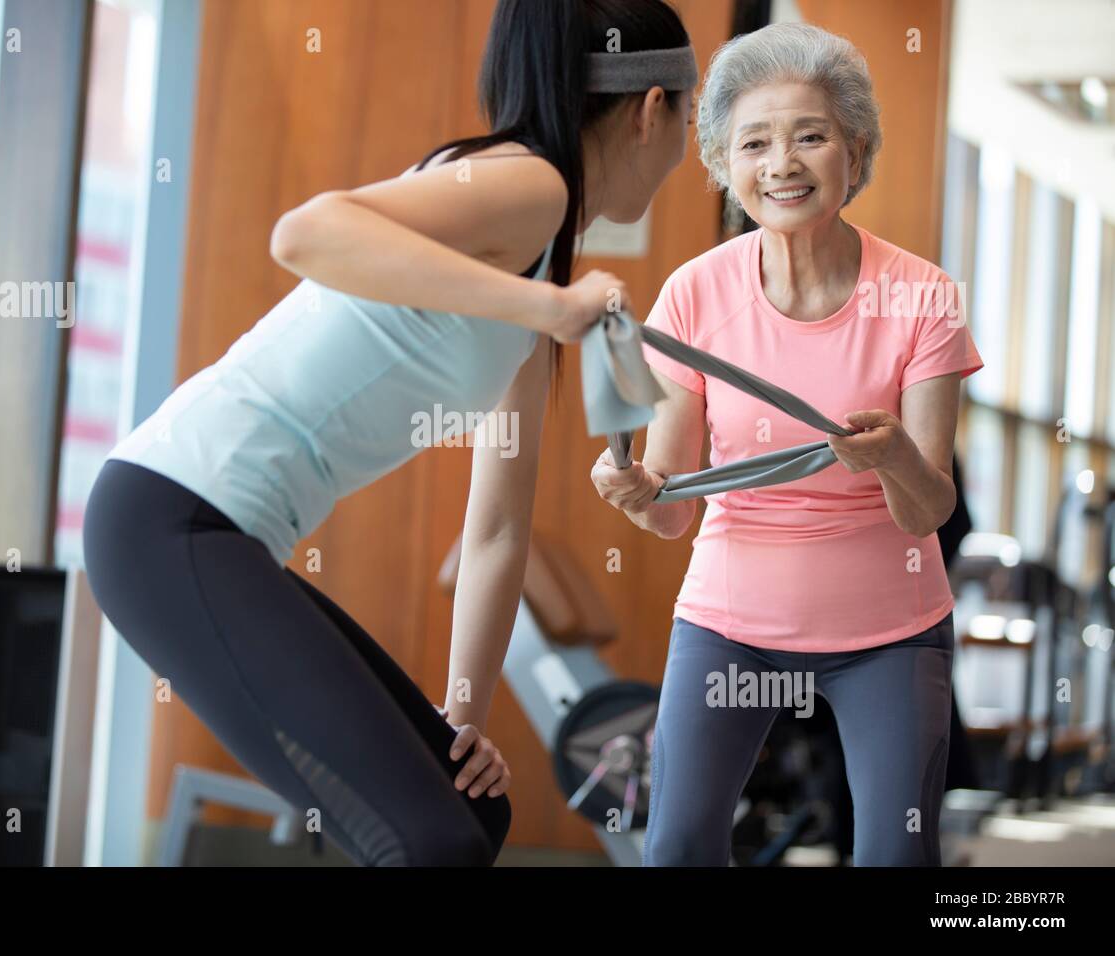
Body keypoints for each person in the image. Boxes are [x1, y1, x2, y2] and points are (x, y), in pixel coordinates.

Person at [83, 0, 698, 867]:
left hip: (211, 530)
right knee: (431, 845)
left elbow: (495, 532)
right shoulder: (532, 186)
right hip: (170, 516)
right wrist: (549, 306)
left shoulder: (541, 254)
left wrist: (462, 721)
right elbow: (306, 232)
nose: (686, 152)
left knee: (467, 817)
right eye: (691, 117)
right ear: (651, 110)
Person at [591, 22, 984, 866]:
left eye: (811, 136)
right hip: (731, 622)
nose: (782, 164)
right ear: (725, 166)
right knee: (679, 848)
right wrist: (639, 492)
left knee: (896, 855)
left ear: (857, 148)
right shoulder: (696, 292)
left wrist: (892, 459)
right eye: (755, 143)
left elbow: (929, 513)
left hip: (890, 631)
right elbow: (668, 511)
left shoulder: (924, 297)